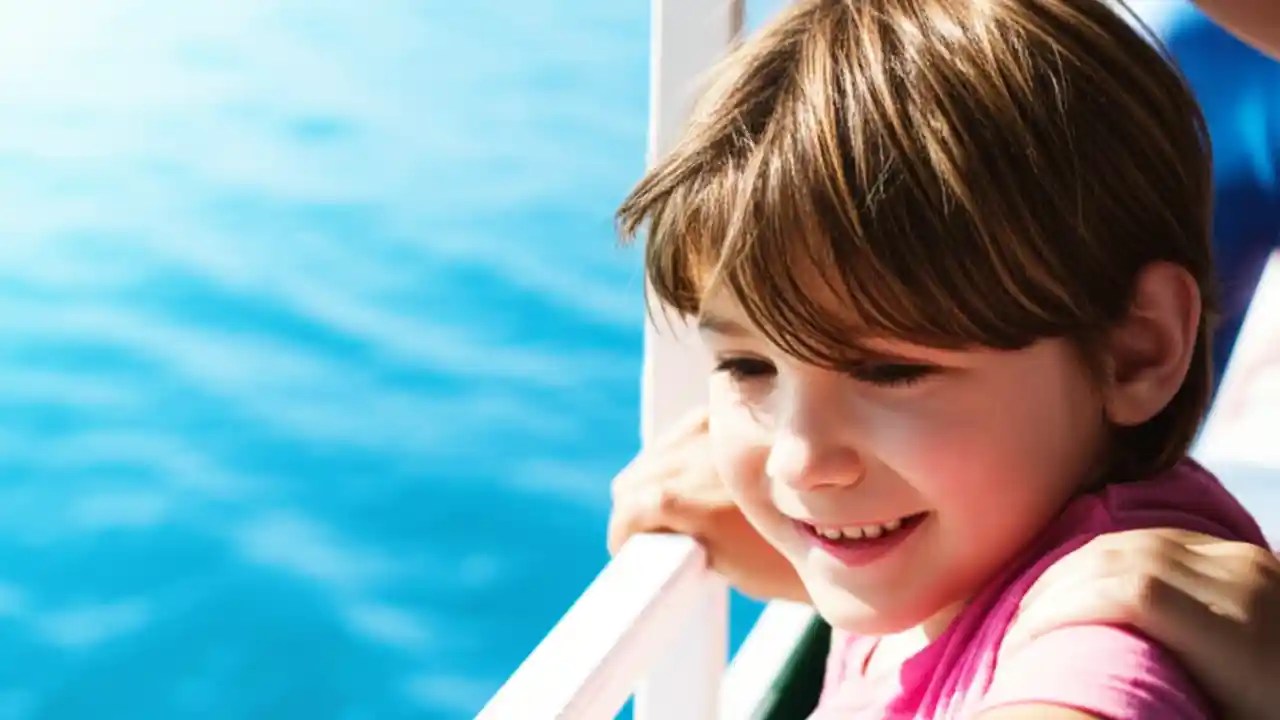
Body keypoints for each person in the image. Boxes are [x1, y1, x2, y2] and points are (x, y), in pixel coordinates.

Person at [608, 0, 1276, 717]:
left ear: (1137, 353)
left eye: (890, 372)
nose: (798, 461)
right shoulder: (974, 561)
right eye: (749, 368)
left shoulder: (1104, 649)